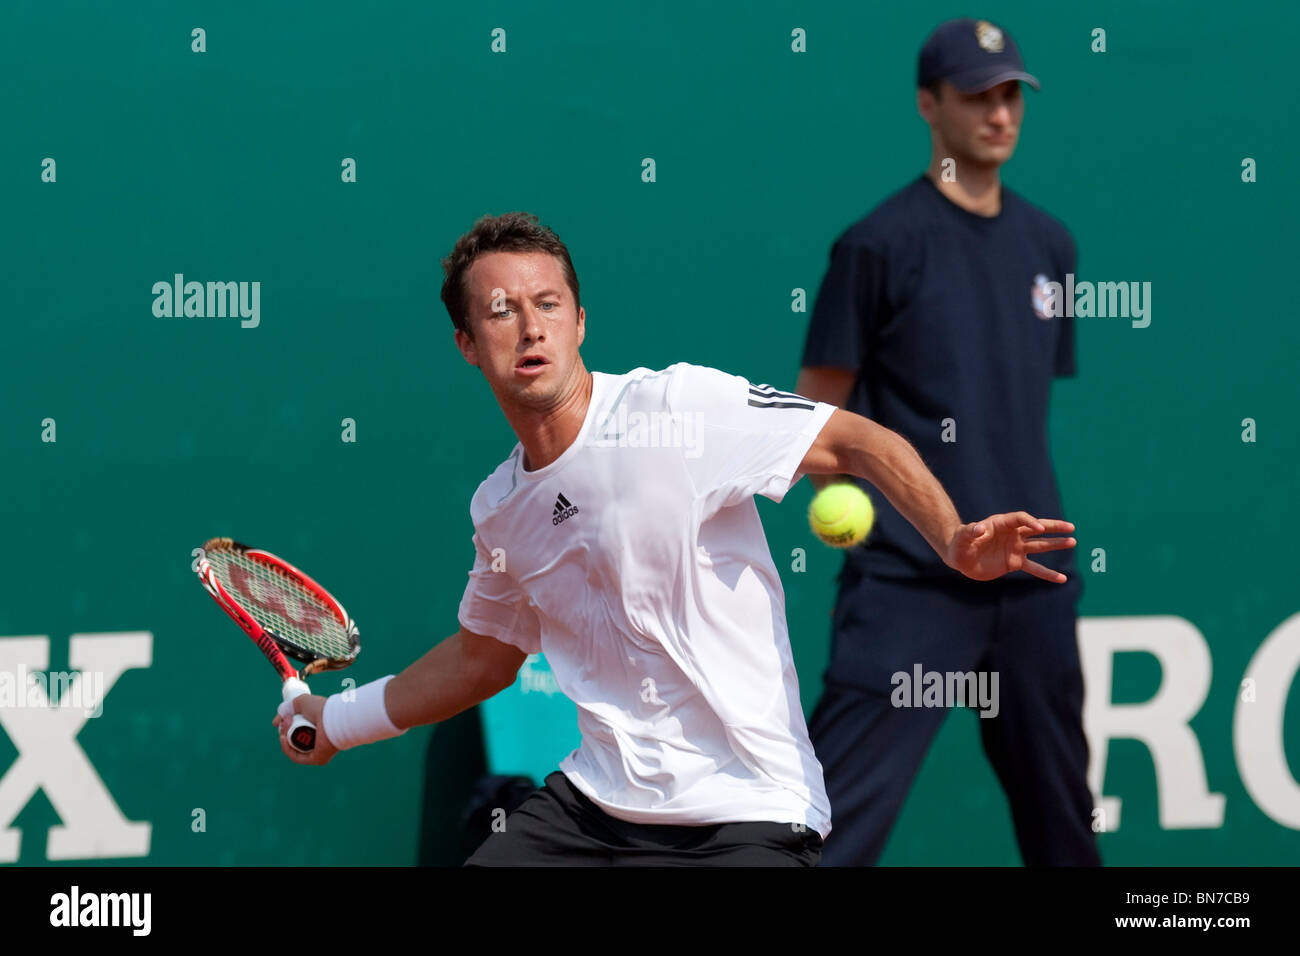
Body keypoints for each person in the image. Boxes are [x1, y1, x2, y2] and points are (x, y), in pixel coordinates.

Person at [272, 211, 1076, 867]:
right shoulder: (500, 508)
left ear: (581, 321)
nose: (529, 327)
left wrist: (954, 539)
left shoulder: (679, 412)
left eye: (548, 304)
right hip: (593, 811)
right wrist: (336, 722)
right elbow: (484, 656)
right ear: (467, 344)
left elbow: (854, 441)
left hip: (745, 815)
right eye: (500, 311)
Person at [794, 18, 1101, 865]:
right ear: (929, 105)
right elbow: (813, 418)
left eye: (1011, 95)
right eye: (976, 96)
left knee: (1064, 823)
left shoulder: (1052, 247)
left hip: (1033, 574)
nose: (999, 114)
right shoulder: (876, 246)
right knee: (826, 824)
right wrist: (858, 513)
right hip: (908, 586)